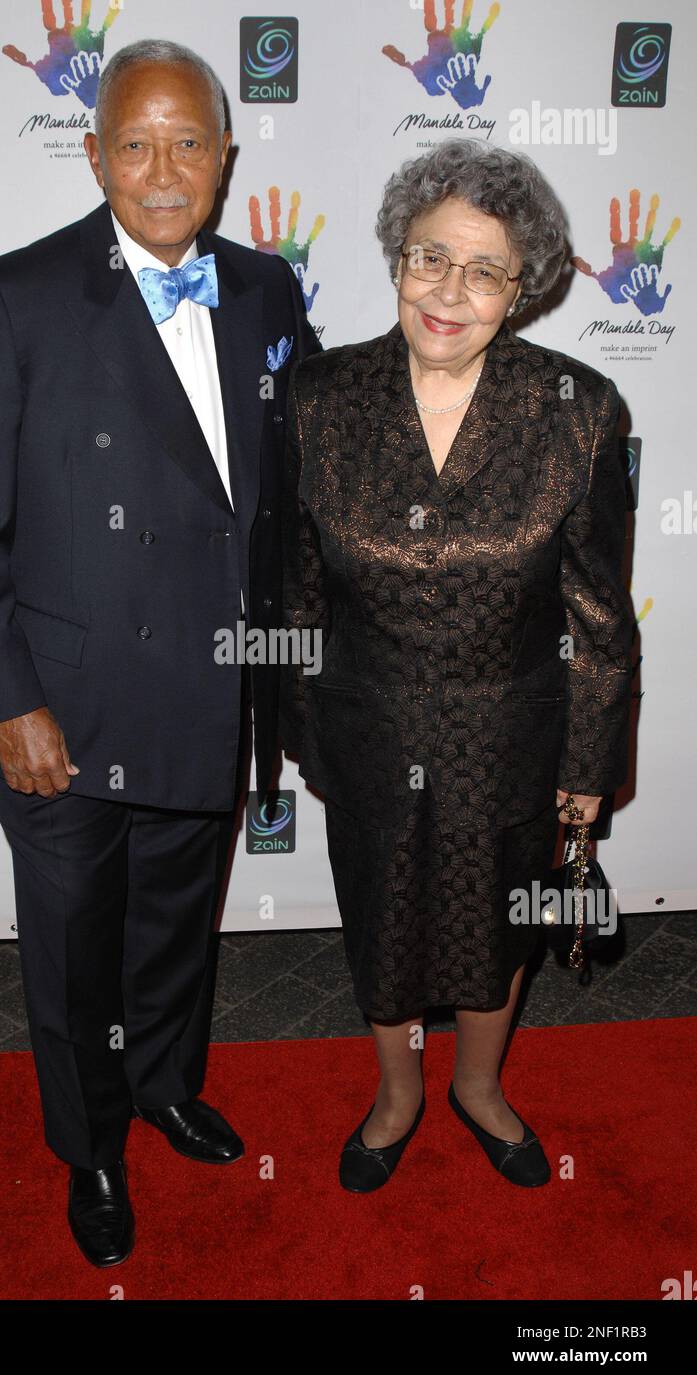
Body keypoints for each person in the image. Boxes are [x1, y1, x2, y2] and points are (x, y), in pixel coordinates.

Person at [0, 39, 319, 1266]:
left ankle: (163, 1086)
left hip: (208, 688)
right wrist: (3, 700)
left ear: (225, 155)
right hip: (64, 711)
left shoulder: (263, 292)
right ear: (92, 155)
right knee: (77, 945)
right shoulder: (10, 295)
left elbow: (277, 499)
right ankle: (89, 1146)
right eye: (133, 144)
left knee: (176, 928)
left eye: (186, 142)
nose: (160, 170)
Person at [280, 139, 633, 1193]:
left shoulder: (577, 409)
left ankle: (478, 1087)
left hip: (509, 732)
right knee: (381, 923)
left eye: (484, 270)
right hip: (368, 726)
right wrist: (306, 731)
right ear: (395, 256)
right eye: (430, 256)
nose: (449, 290)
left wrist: (585, 766)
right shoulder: (314, 398)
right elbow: (294, 591)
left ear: (520, 290)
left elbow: (598, 613)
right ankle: (395, 1096)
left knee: (501, 925)